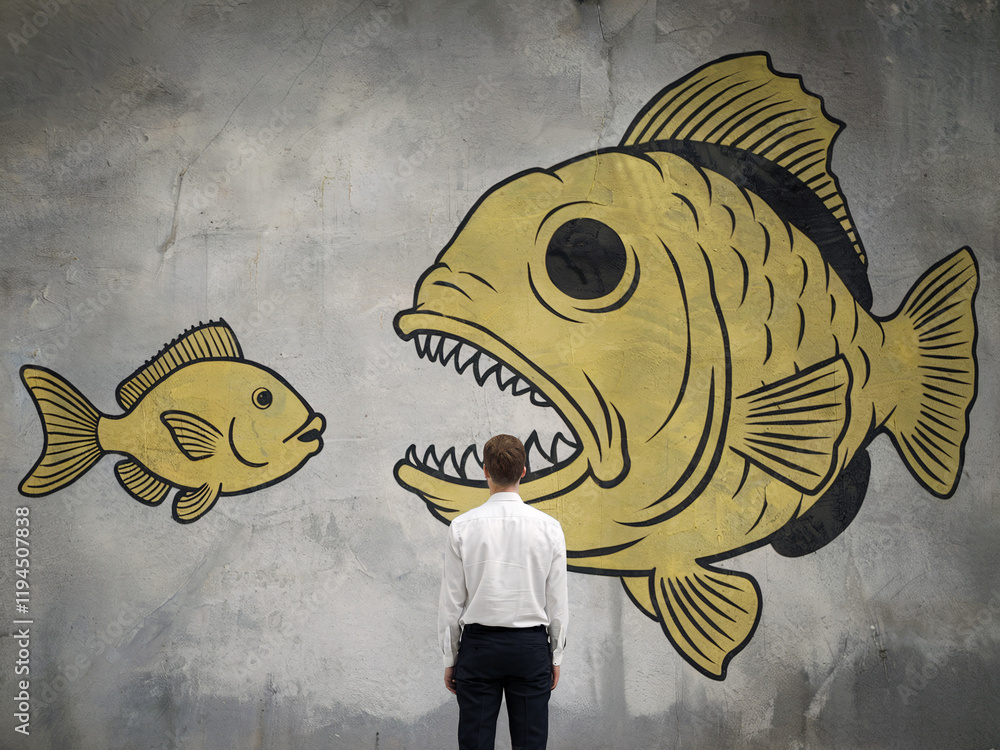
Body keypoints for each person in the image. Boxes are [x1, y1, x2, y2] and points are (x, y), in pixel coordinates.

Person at [438, 434, 568, 750]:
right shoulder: (549, 528)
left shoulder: (462, 527)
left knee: (475, 743)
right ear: (524, 471)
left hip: (479, 649)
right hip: (530, 648)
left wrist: (450, 657)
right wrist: (556, 654)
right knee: (530, 744)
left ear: (485, 470)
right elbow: (557, 601)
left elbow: (451, 603)